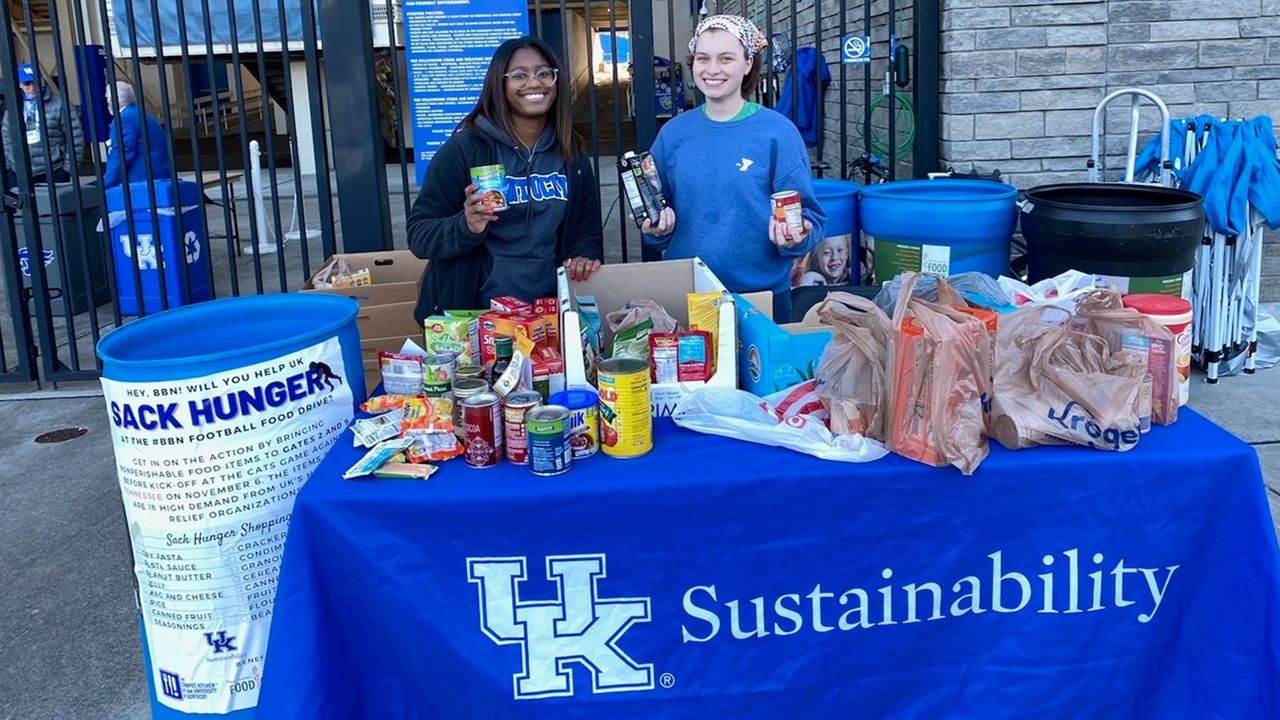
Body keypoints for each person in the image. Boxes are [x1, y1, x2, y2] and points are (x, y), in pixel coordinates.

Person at [640, 15, 826, 322]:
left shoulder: (777, 132)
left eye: (726, 58)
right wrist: (656, 231)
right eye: (703, 58)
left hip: (762, 297)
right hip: (690, 295)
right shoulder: (673, 134)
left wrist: (796, 238)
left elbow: (809, 218)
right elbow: (657, 216)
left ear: (748, 63)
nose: (712, 69)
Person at [405, 36, 604, 321]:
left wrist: (584, 255)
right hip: (475, 317)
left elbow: (587, 229)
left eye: (544, 73)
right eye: (520, 75)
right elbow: (419, 235)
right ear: (500, 83)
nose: (534, 83)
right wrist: (467, 225)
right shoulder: (466, 149)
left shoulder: (571, 153)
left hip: (547, 314)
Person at [2, 63, 83, 186]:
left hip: (54, 169)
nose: (32, 87)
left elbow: (75, 137)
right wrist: (11, 163)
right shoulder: (14, 108)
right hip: (21, 171)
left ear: (43, 81)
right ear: (20, 85)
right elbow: (6, 138)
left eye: (35, 82)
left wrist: (68, 168)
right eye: (27, 84)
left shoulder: (60, 104)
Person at [102, 81, 173, 188]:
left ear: (114, 100)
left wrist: (107, 183)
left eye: (107, 98)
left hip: (140, 180)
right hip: (159, 176)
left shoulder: (124, 119)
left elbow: (120, 154)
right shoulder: (141, 114)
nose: (107, 102)